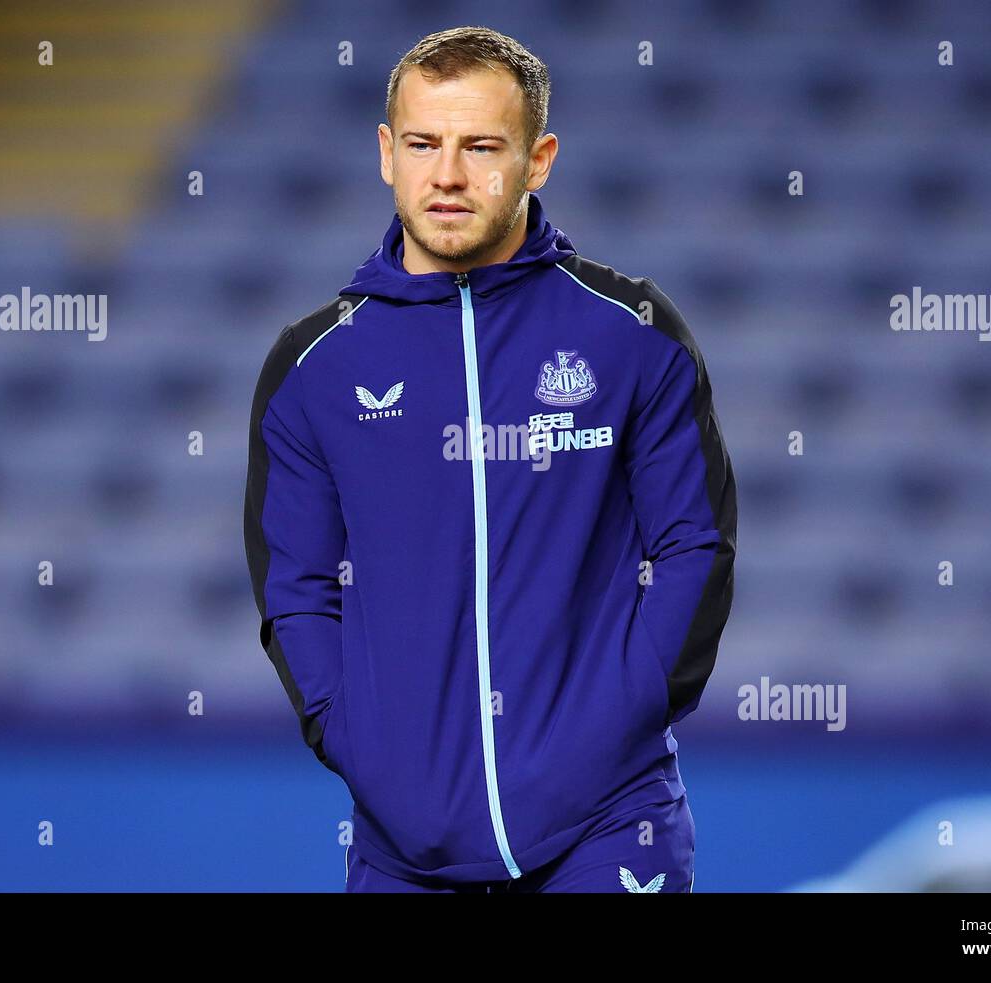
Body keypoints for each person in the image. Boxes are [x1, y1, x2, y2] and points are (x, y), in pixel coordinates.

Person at [244, 26, 736, 892]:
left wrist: (624, 712)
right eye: (424, 145)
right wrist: (352, 733)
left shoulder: (632, 334)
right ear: (386, 154)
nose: (448, 175)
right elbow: (297, 586)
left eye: (482, 147)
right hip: (404, 850)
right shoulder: (313, 366)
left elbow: (695, 543)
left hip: (608, 824)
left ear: (539, 159)